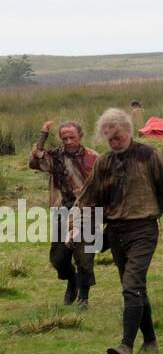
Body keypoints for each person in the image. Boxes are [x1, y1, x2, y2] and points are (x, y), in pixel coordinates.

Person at [75, 108, 163, 354]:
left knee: (131, 285)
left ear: (127, 131)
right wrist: (74, 225)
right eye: (109, 139)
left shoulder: (149, 156)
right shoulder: (104, 162)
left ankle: (126, 346)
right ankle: (150, 340)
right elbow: (87, 197)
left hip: (144, 229)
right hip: (115, 232)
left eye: (118, 138)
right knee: (135, 288)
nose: (114, 143)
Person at [29, 119, 98, 308]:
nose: (68, 141)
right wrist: (43, 135)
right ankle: (72, 280)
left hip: (88, 212)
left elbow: (105, 186)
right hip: (61, 211)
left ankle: (84, 297)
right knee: (58, 258)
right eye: (64, 138)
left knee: (85, 257)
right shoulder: (54, 157)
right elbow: (35, 161)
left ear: (80, 136)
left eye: (72, 137)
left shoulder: (93, 158)